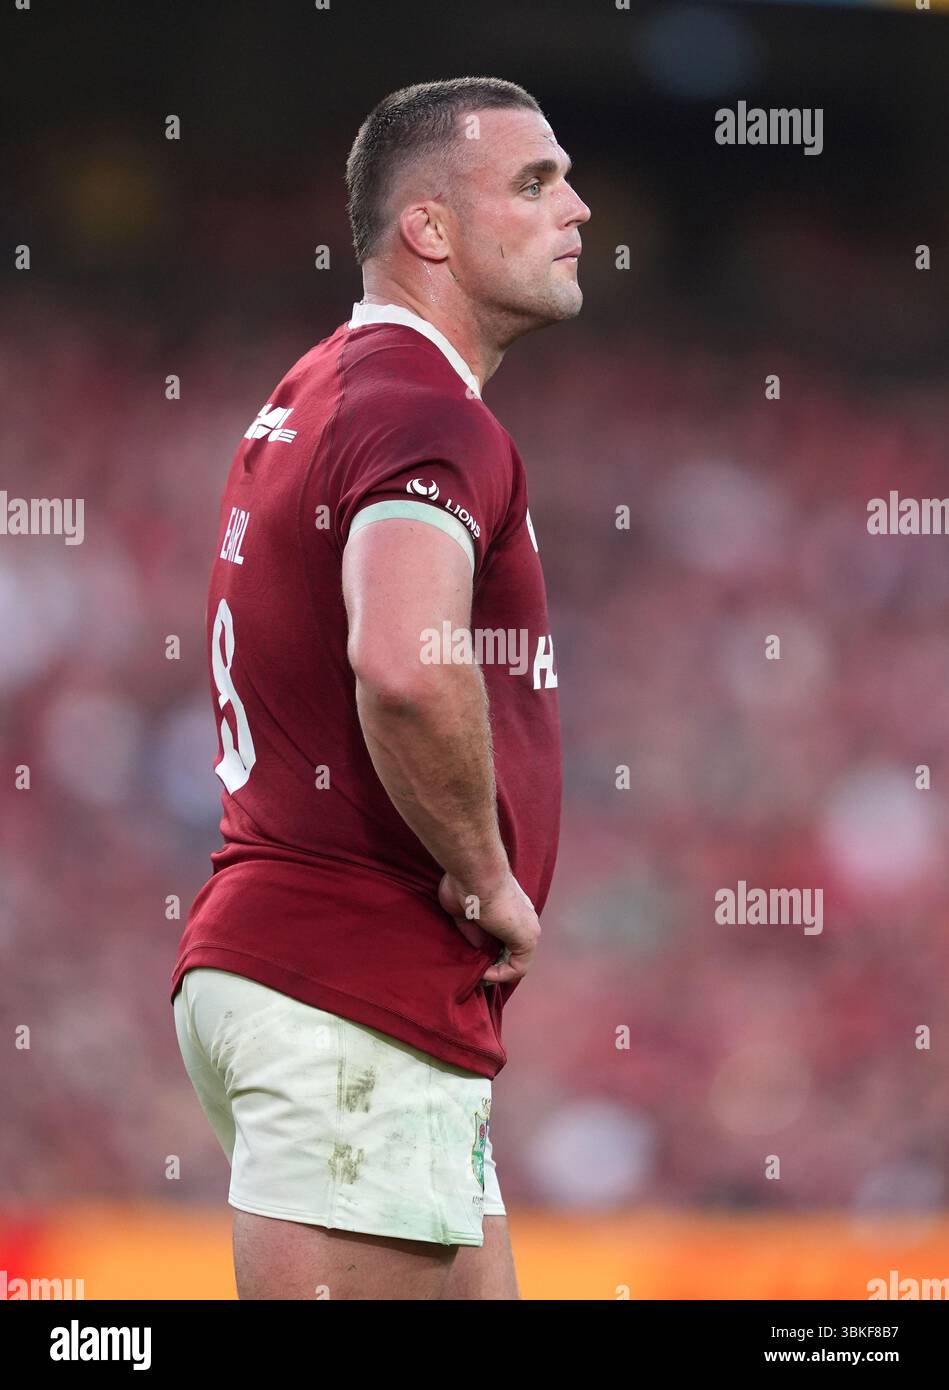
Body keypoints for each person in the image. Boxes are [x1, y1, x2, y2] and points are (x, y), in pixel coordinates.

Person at [170, 75, 590, 1300]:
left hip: (339, 984)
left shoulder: (322, 386)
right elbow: (404, 664)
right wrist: (489, 874)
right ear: (430, 229)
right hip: (350, 983)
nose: (576, 209)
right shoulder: (424, 412)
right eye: (534, 183)